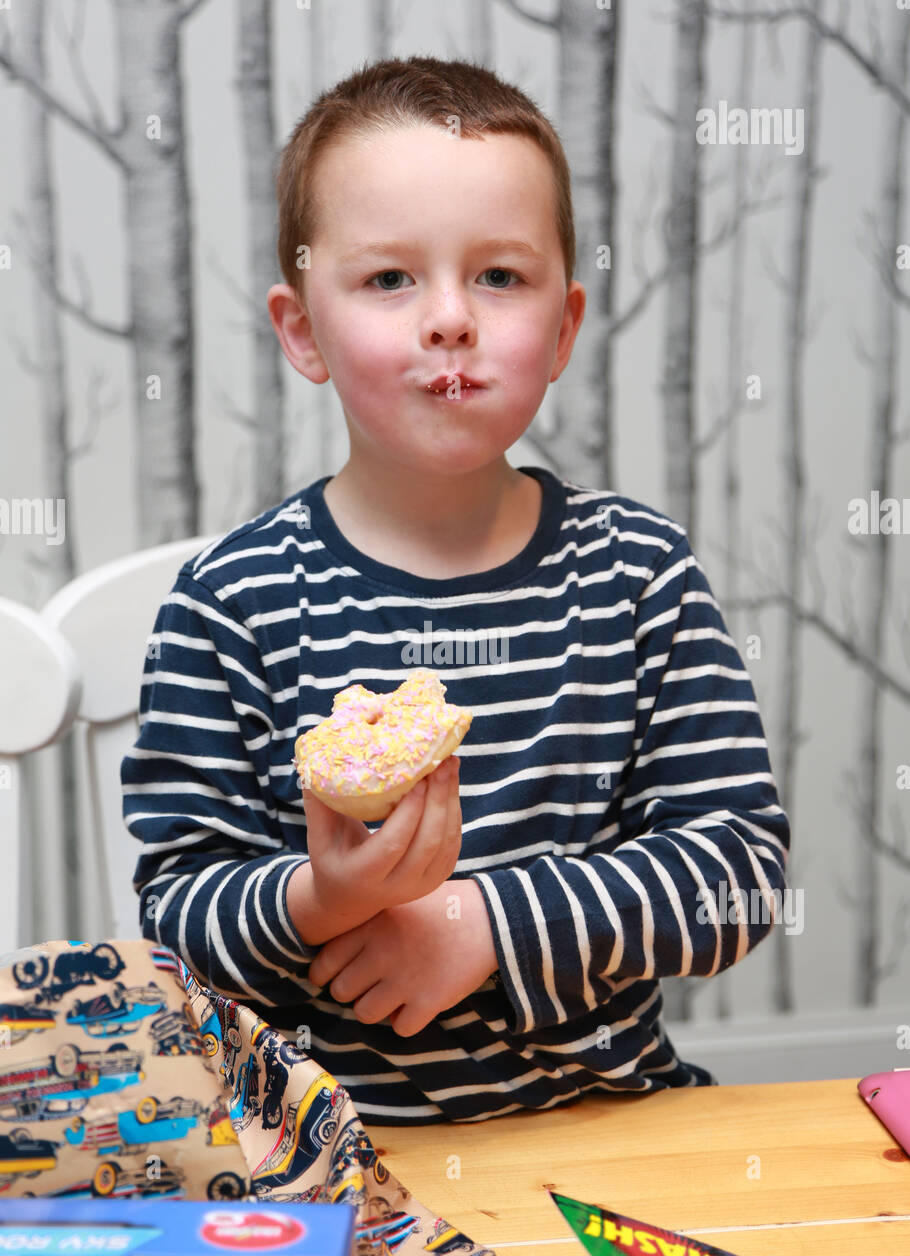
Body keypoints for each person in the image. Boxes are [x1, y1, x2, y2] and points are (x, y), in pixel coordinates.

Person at [121, 56, 790, 1126]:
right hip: (331, 1165)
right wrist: (322, 895)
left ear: (562, 328)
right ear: (302, 330)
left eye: (499, 277)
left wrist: (485, 926)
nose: (448, 319)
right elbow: (177, 916)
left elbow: (738, 873)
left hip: (610, 1126)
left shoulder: (639, 574)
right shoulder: (229, 603)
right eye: (390, 279)